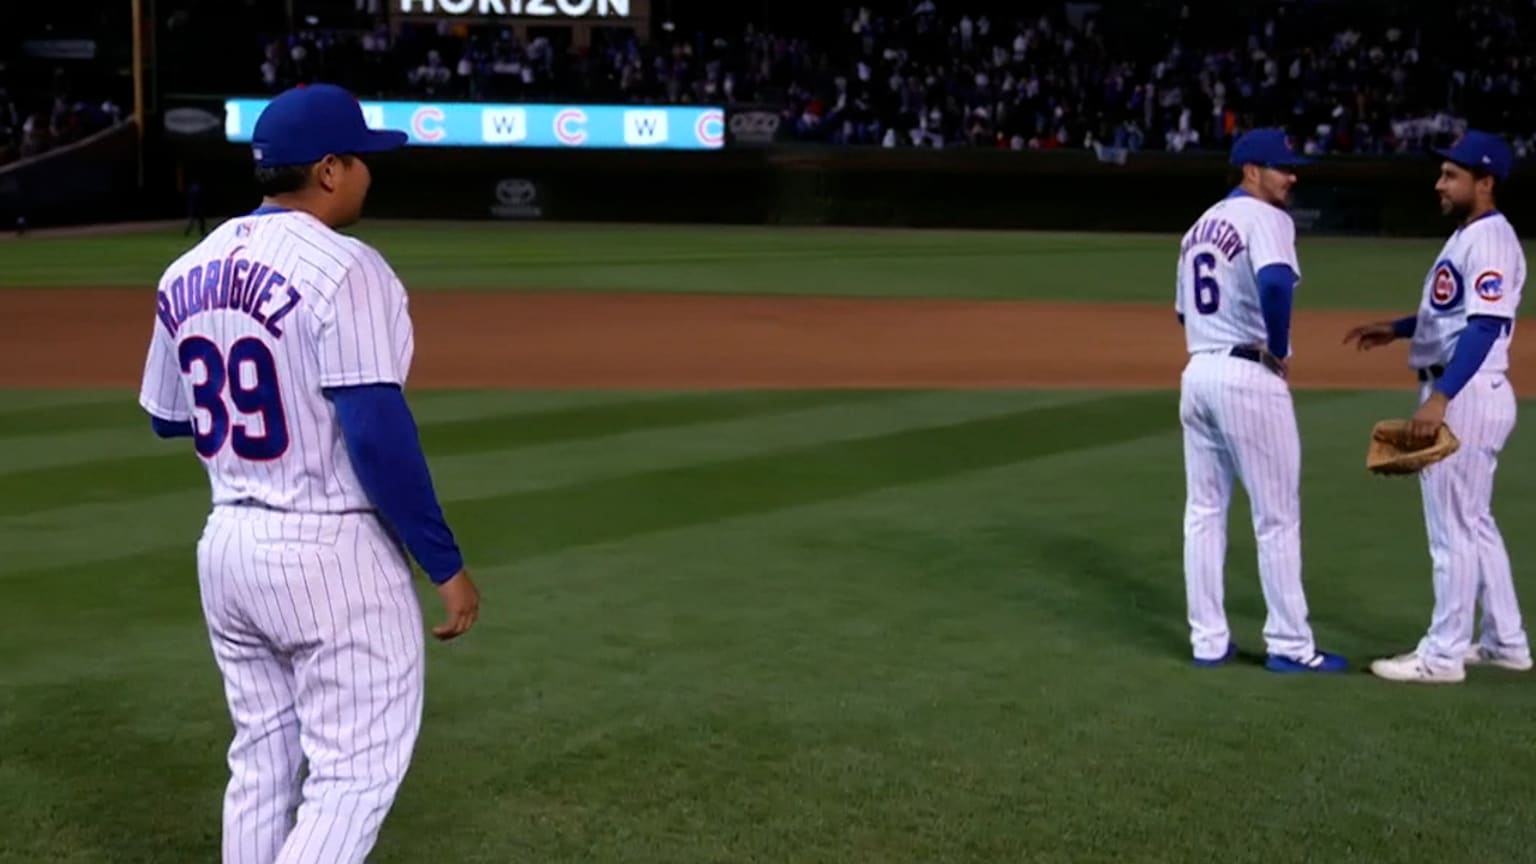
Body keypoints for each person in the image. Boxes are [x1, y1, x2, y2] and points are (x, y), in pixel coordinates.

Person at [137, 82, 481, 862]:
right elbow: (375, 430)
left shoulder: (188, 266)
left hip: (228, 546)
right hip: (330, 554)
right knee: (352, 777)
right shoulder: (345, 266)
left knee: (261, 761)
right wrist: (444, 562)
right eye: (361, 160)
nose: (369, 174)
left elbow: (168, 415)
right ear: (328, 169)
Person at [1344, 130, 1531, 683]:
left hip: (1465, 393)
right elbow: (1454, 312)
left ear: (1486, 182)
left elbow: (1487, 323)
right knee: (1475, 524)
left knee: (1452, 530)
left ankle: (1443, 655)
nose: (1439, 183)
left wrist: (1442, 398)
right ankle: (1506, 642)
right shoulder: (1471, 236)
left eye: (1452, 175)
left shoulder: (1491, 239)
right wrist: (1399, 329)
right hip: (1471, 389)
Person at [1175, 127, 1348, 674]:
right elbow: (1275, 283)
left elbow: (1185, 312)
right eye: (1282, 167)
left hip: (1197, 371)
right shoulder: (1267, 218)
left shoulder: (1197, 227)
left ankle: (1208, 641)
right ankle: (1290, 646)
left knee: (1203, 513)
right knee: (1276, 518)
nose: (1291, 176)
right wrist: (1276, 345)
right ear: (1251, 170)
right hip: (1248, 376)